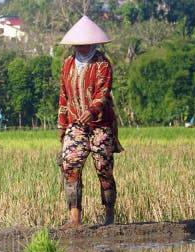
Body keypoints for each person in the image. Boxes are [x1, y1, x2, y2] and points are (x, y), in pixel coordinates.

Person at [57, 16, 123, 229]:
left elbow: (103, 93)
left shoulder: (102, 64)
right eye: (78, 43)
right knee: (70, 164)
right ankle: (75, 218)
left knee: (103, 167)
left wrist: (92, 110)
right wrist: (62, 125)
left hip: (101, 124)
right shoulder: (67, 64)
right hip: (75, 124)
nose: (81, 46)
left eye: (85, 43)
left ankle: (109, 215)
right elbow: (63, 96)